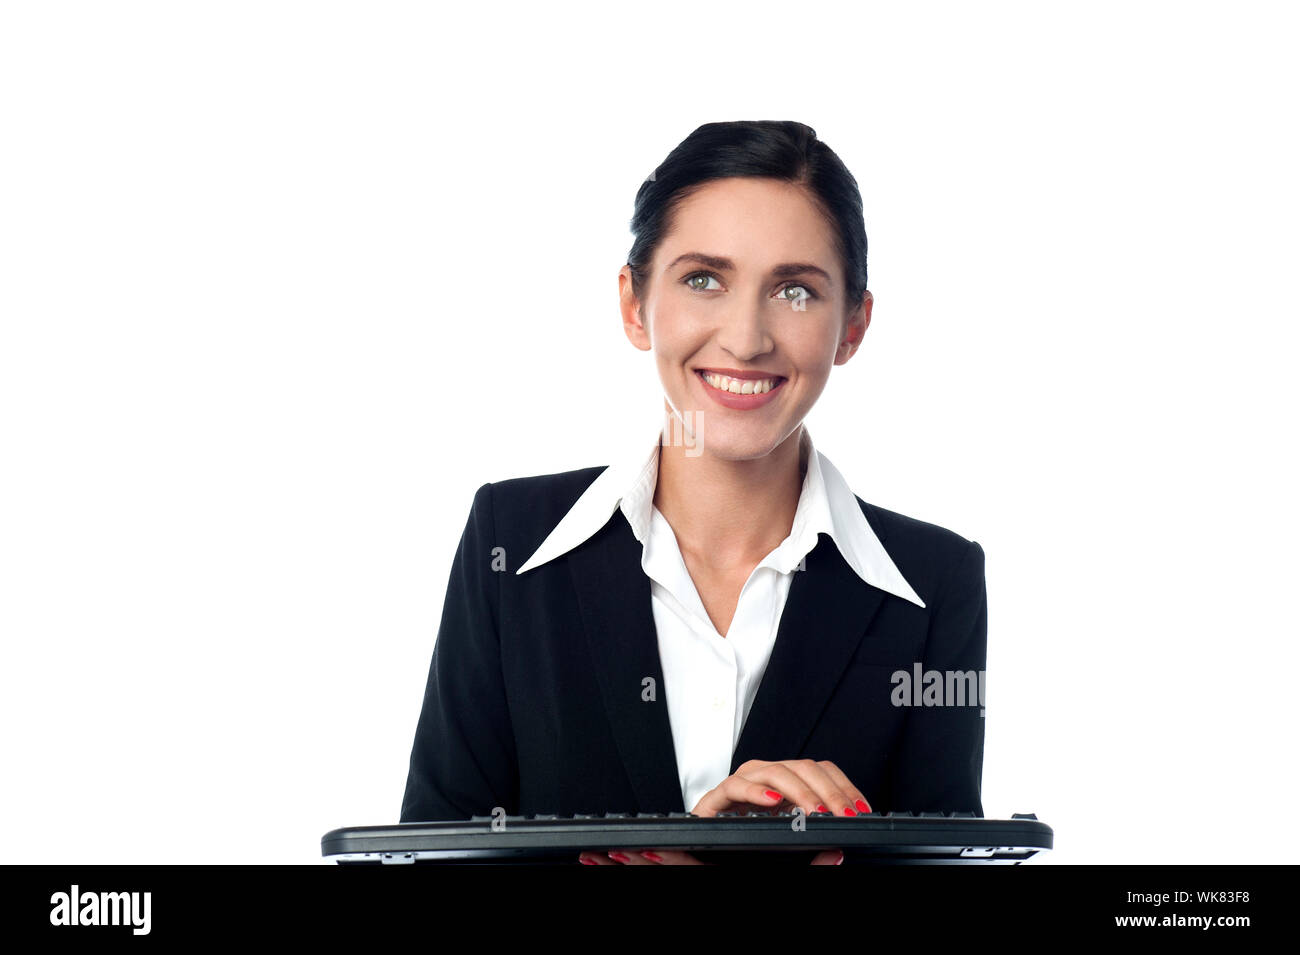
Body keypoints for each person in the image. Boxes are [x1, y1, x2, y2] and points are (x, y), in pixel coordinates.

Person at [400, 120, 988, 866]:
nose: (746, 339)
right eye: (703, 278)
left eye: (796, 290)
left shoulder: (937, 583)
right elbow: (434, 851)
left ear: (853, 326)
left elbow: (953, 857)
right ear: (634, 304)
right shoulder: (509, 539)